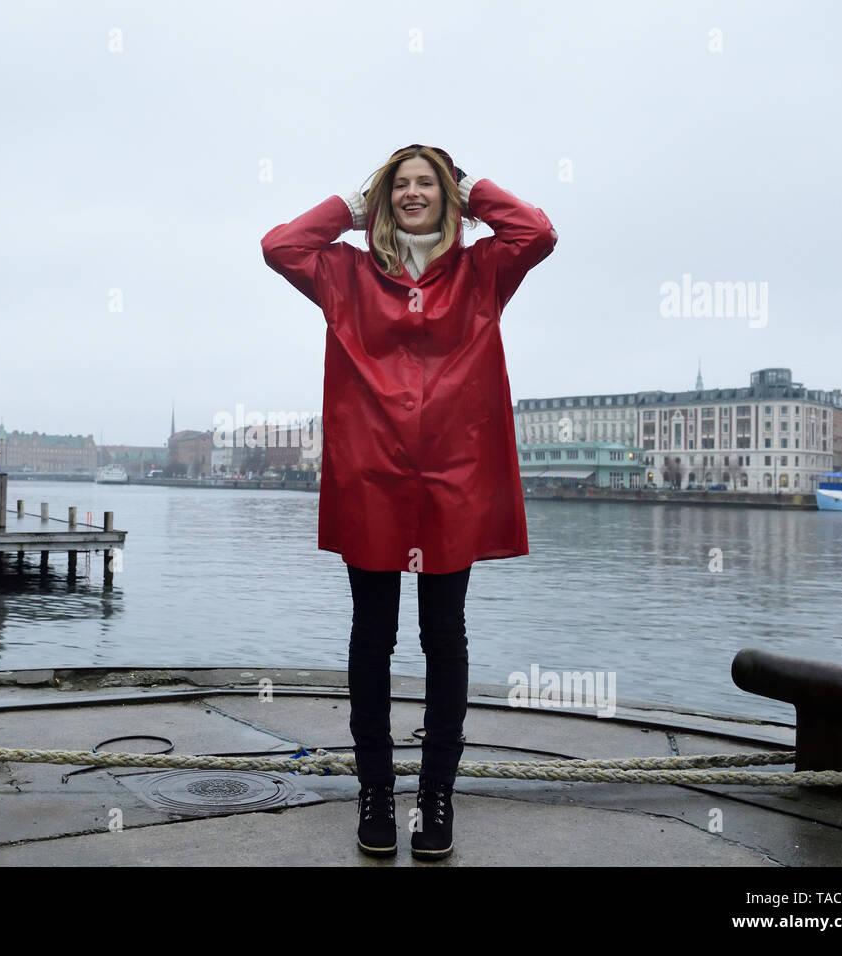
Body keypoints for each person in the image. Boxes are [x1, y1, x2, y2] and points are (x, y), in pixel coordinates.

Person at [261, 144, 557, 860]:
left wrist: (474, 186)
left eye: (429, 183)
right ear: (384, 199)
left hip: (453, 479)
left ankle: (436, 796)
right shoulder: (346, 271)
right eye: (402, 184)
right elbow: (278, 245)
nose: (415, 194)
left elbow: (538, 233)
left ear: (446, 194)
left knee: (443, 637)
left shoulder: (483, 271)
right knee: (373, 637)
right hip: (373, 478)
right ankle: (374, 793)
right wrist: (350, 210)